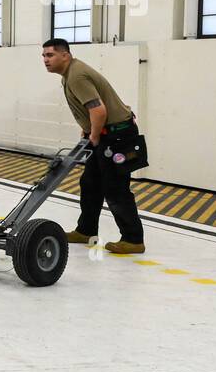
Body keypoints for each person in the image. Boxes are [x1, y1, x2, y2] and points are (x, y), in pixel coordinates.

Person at [42, 38, 146, 254]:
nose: (45, 60)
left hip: (116, 137)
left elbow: (99, 111)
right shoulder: (69, 74)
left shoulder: (77, 75)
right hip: (109, 134)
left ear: (65, 55)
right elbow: (93, 110)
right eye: (44, 56)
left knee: (115, 188)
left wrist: (95, 135)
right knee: (90, 183)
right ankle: (86, 230)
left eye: (50, 55)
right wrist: (89, 129)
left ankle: (133, 239)